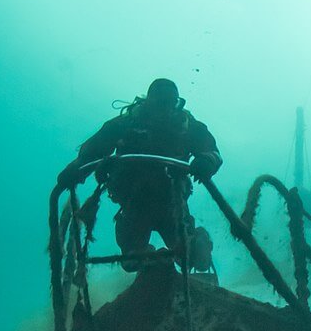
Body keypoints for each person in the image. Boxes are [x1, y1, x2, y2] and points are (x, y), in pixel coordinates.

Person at [57, 78, 222, 266]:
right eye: (160, 103)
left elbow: (212, 152)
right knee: (131, 260)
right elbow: (93, 151)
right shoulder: (125, 124)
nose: (165, 110)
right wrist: (75, 169)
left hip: (172, 203)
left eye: (171, 104)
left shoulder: (188, 126)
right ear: (148, 101)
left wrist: (206, 161)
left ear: (177, 103)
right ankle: (151, 266)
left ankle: (195, 246)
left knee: (194, 257)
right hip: (134, 203)